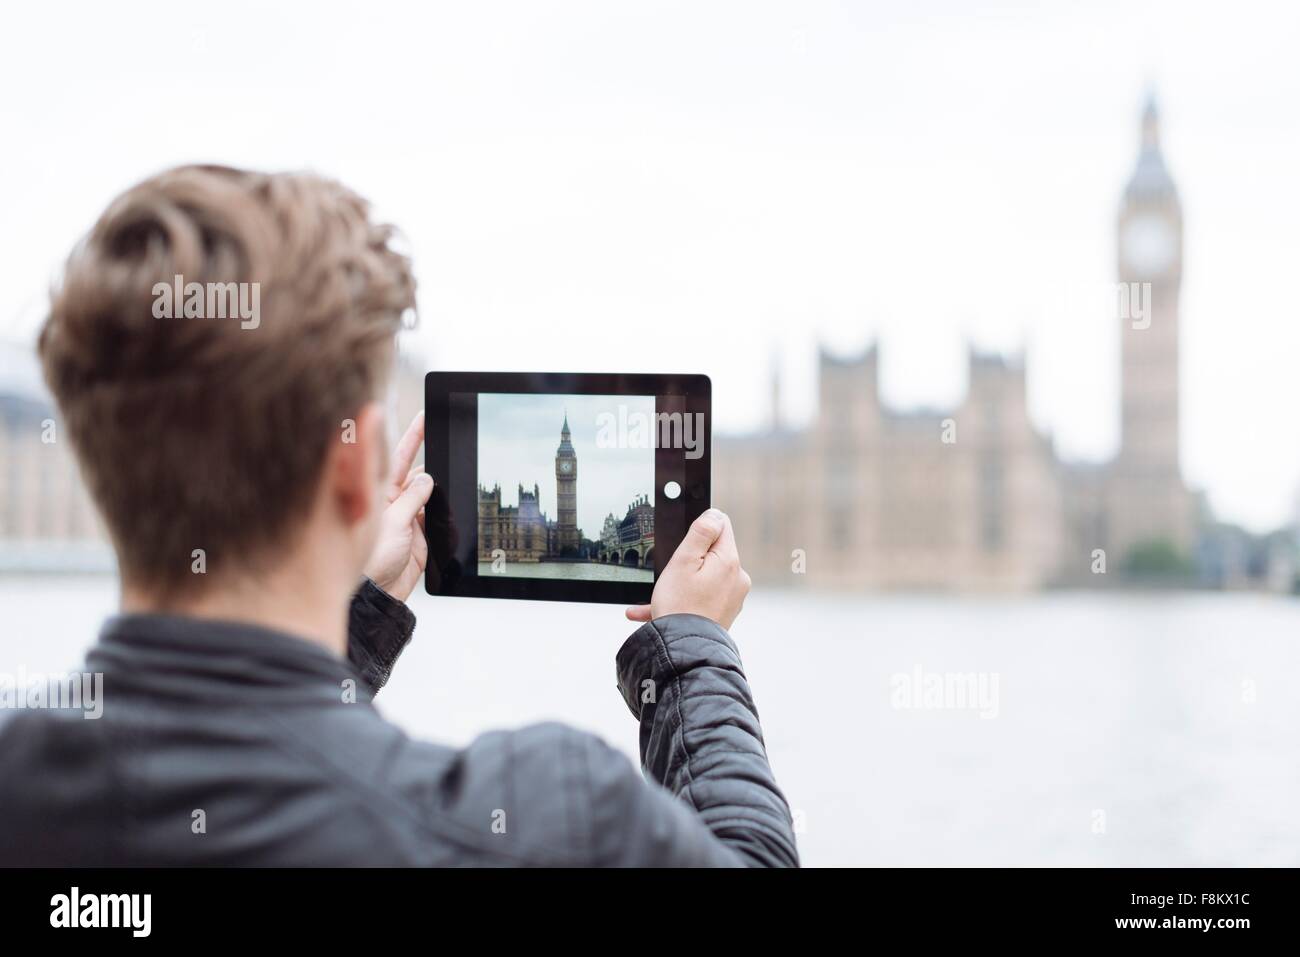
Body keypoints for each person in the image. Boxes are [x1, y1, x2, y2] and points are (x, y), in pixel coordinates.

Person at [0, 165, 798, 867]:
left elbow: (232, 763)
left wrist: (361, 617)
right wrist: (694, 651)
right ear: (355, 467)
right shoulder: (554, 820)